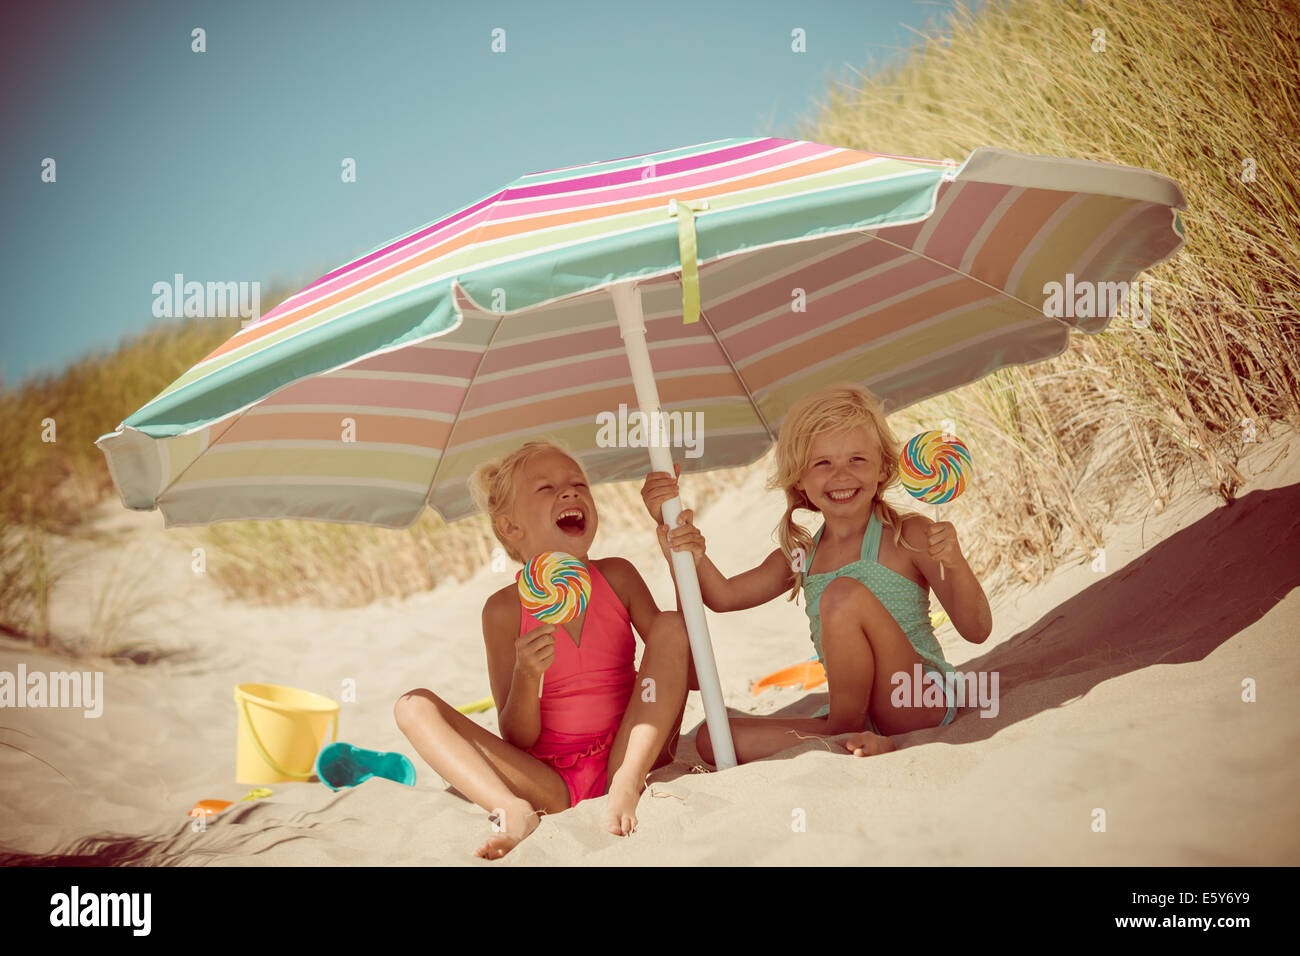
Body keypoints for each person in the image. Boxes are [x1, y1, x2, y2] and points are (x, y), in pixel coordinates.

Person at [640, 383, 992, 764]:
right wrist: (679, 536)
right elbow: (723, 596)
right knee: (714, 738)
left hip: (915, 700)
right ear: (800, 481)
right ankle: (850, 741)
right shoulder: (801, 556)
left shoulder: (911, 536)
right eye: (822, 463)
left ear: (883, 469)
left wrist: (954, 563)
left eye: (857, 460)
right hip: (863, 717)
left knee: (843, 594)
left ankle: (838, 732)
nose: (841, 475)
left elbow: (977, 630)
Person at [395, 440, 692, 859]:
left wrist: (677, 564)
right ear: (511, 528)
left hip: (637, 752)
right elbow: (516, 736)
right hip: (550, 781)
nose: (569, 492)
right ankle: (510, 808)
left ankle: (624, 784)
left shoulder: (619, 576)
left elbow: (686, 672)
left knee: (671, 624)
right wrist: (526, 674)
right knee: (413, 706)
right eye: (546, 489)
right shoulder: (502, 611)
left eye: (577, 484)